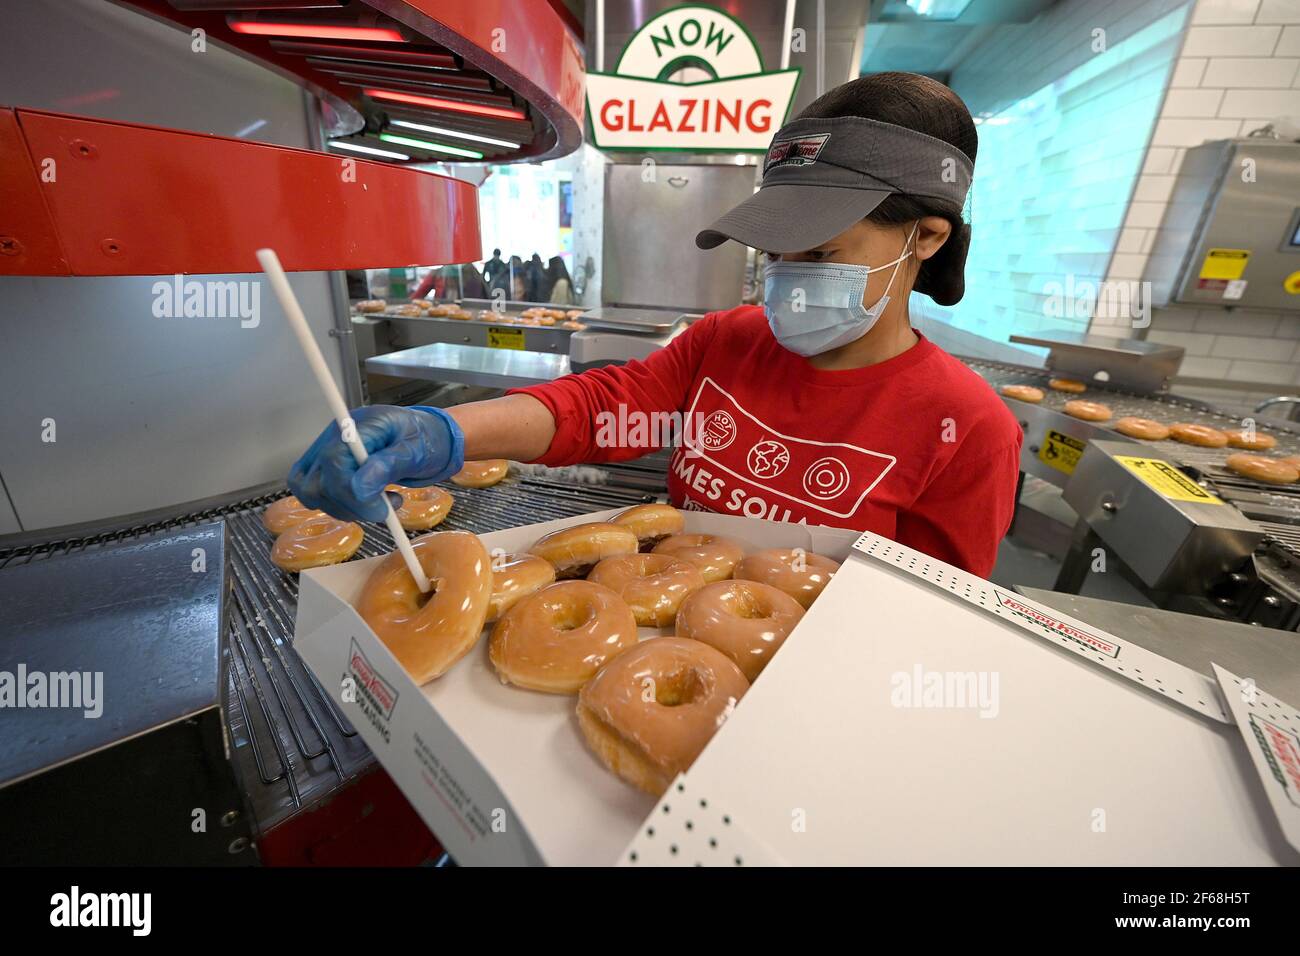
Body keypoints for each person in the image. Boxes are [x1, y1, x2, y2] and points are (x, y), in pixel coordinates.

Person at [289, 73, 1022, 577]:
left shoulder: (967, 428)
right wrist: (445, 435)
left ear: (923, 238)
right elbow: (605, 413)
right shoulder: (725, 342)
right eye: (774, 250)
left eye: (821, 250)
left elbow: (933, 614)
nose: (787, 274)